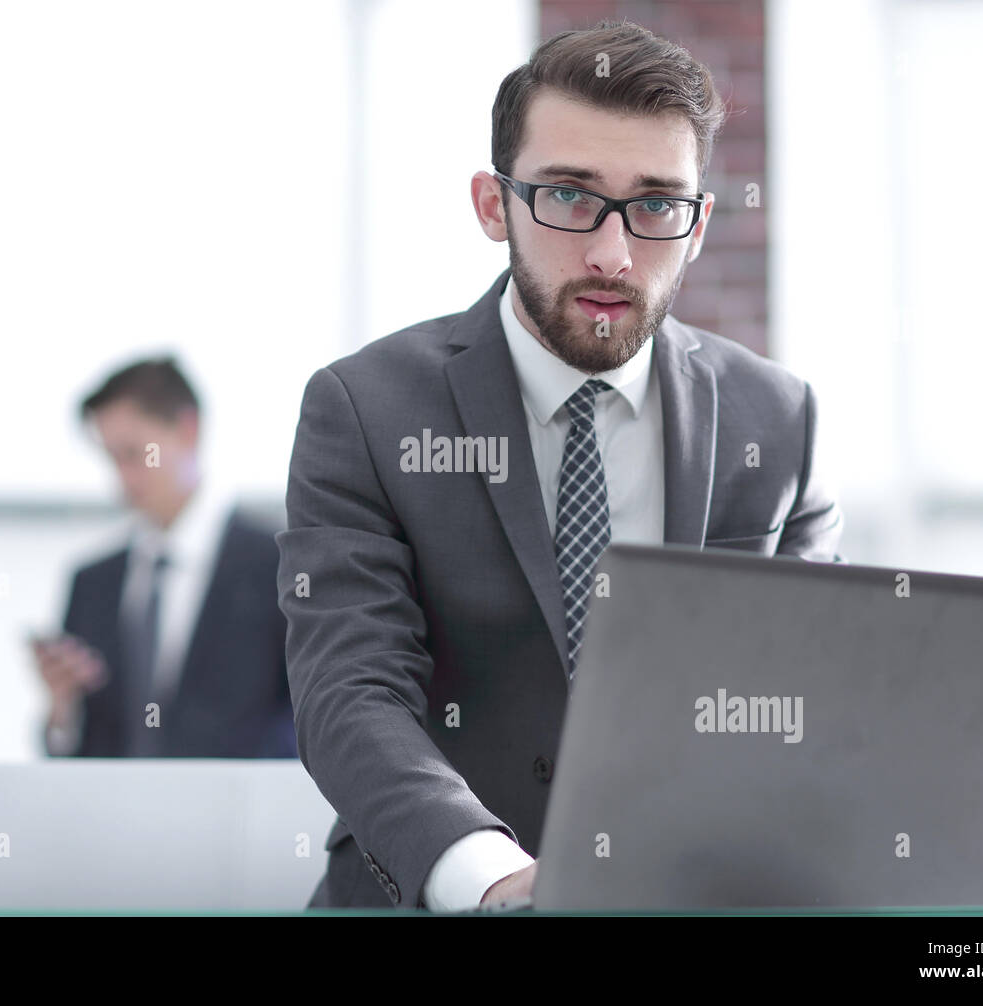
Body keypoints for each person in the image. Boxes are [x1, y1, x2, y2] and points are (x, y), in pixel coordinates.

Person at [278, 21, 844, 910]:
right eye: (571, 198)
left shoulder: (778, 421)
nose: (613, 255)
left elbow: (813, 699)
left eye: (656, 205)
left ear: (697, 226)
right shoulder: (366, 410)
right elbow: (350, 689)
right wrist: (490, 877)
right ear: (492, 204)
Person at [34, 356, 294, 759]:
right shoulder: (92, 583)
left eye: (134, 454)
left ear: (188, 430)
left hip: (242, 817)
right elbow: (83, 756)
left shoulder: (278, 567)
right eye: (111, 458)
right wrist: (62, 709)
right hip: (117, 817)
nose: (123, 480)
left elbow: (304, 727)